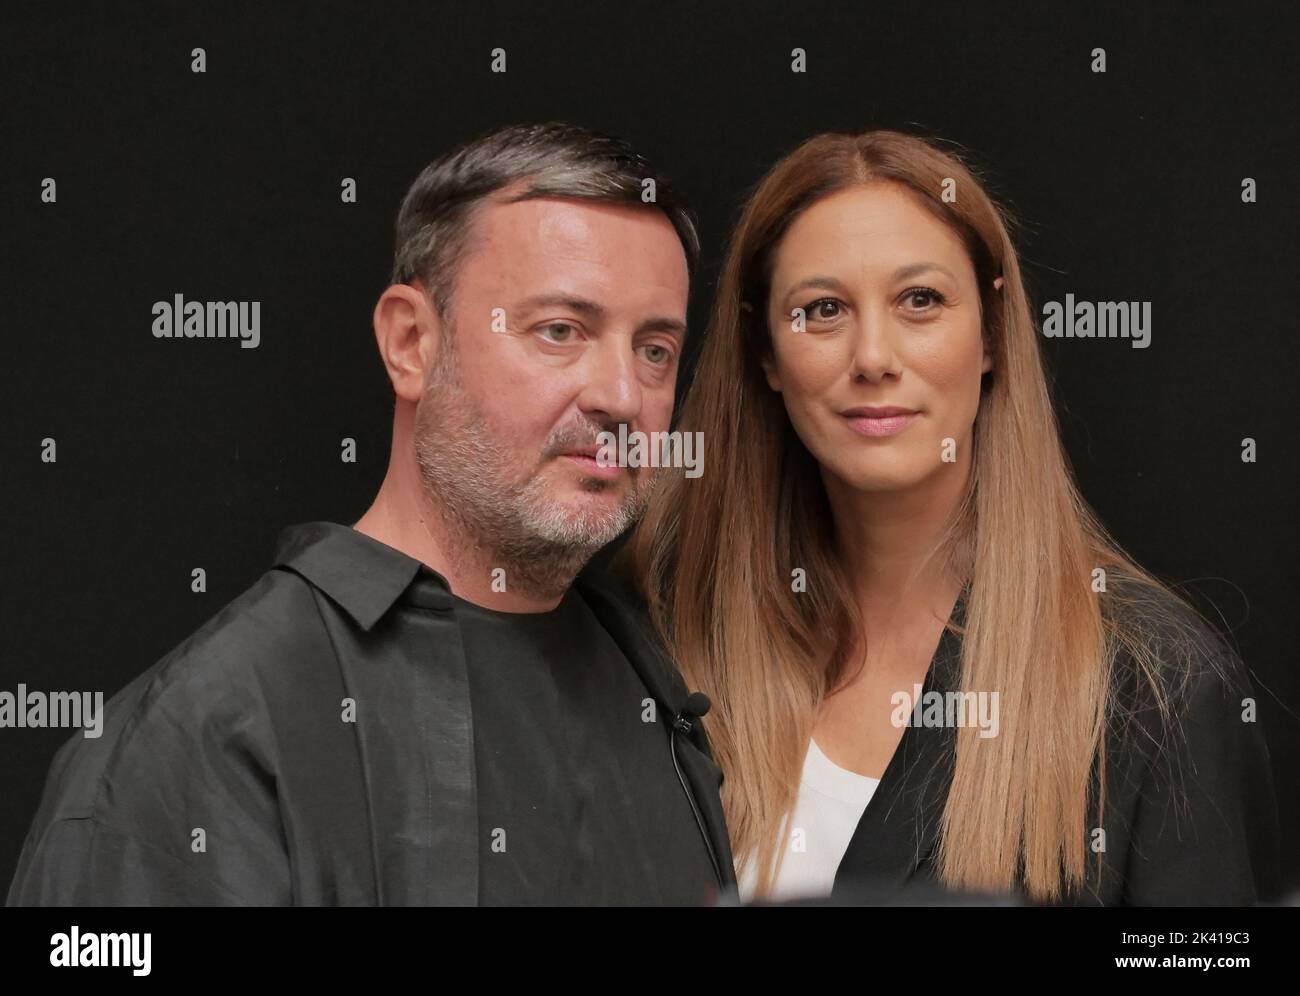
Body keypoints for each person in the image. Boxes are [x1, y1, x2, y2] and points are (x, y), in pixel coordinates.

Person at [8, 121, 735, 906]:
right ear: (411, 342)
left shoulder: (651, 688)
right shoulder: (202, 738)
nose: (621, 396)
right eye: (560, 331)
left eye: (655, 349)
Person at [618, 128, 1280, 906]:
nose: (873, 356)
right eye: (822, 309)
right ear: (766, 353)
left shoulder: (1152, 689)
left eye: (920, 301)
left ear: (993, 333)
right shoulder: (659, 644)